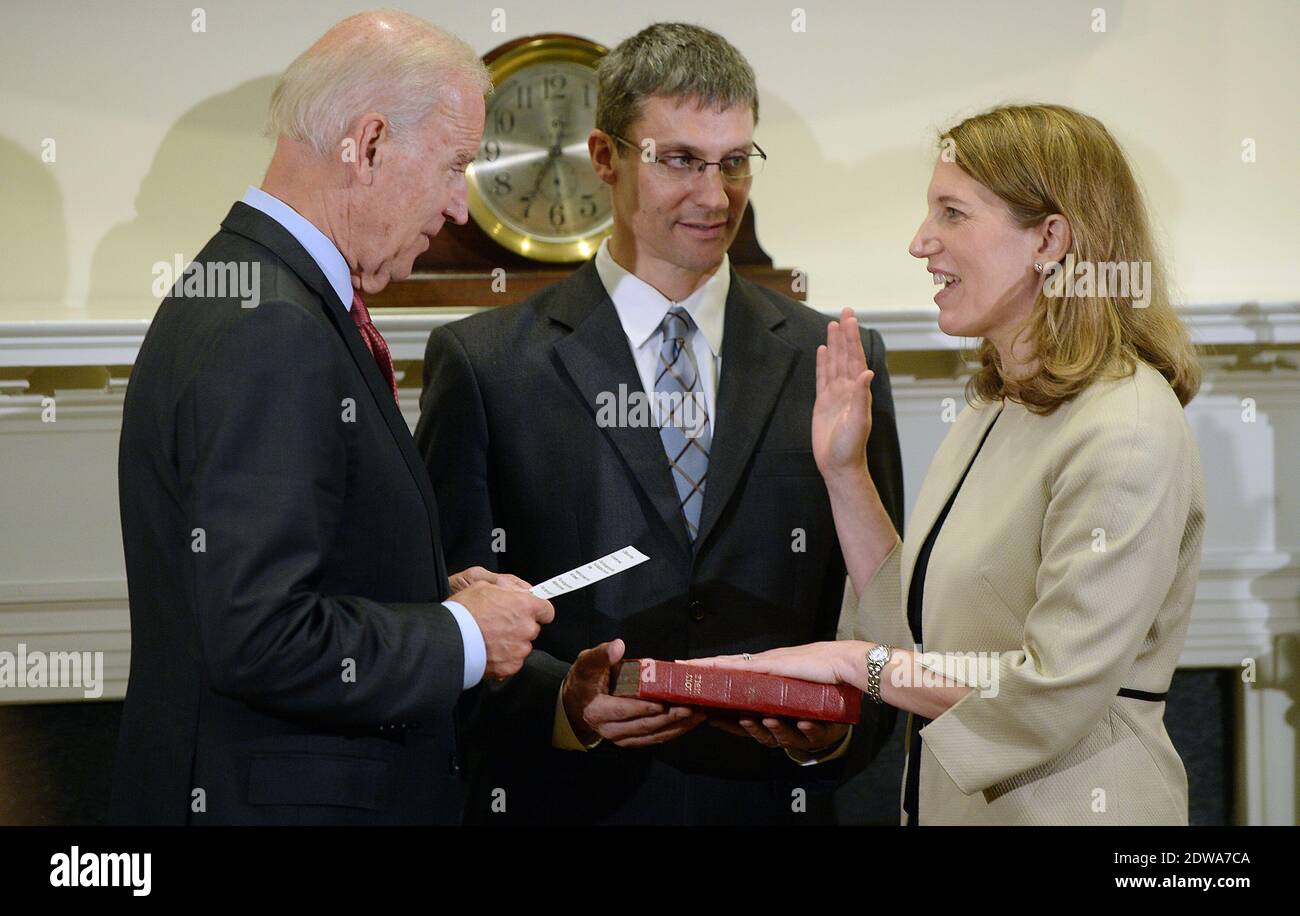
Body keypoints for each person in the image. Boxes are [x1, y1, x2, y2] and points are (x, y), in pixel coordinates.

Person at [415, 22, 905, 825]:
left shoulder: (836, 357)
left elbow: (884, 614)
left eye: (734, 162)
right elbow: (439, 613)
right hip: (568, 805)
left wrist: (824, 741)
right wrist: (565, 706)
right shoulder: (485, 364)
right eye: (680, 160)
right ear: (605, 158)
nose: (715, 197)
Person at [698, 103, 1204, 825]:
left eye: (953, 213)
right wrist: (845, 473)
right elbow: (915, 639)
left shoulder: (1124, 426)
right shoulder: (996, 410)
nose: (920, 242)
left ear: (1050, 239)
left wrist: (852, 666)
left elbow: (1051, 688)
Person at [111, 10, 554, 825]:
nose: (462, 207)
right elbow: (260, 633)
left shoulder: (251, 288)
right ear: (371, 143)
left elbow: (282, 576)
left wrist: (422, 590)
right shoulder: (270, 327)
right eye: (456, 166)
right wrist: (461, 638)